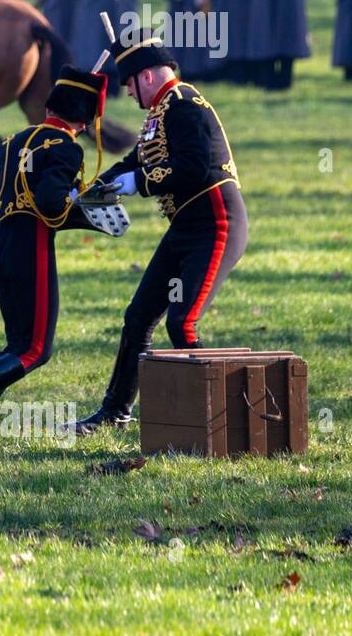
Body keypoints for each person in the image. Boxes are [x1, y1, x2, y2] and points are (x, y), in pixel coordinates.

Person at [74, 36, 247, 434]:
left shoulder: (184, 104)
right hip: (185, 229)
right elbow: (132, 161)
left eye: (130, 85)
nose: (130, 94)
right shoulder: (159, 113)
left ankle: (221, 419)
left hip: (216, 224)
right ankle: (115, 412)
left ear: (147, 75)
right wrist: (93, 188)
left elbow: (195, 167)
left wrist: (141, 182)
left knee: (182, 322)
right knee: (138, 317)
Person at [0, 67, 109, 434]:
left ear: (50, 108)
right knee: (35, 349)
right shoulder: (66, 148)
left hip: (5, 250)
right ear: (84, 119)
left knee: (19, 343)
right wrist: (80, 200)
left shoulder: (13, 141)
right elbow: (50, 203)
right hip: (34, 250)